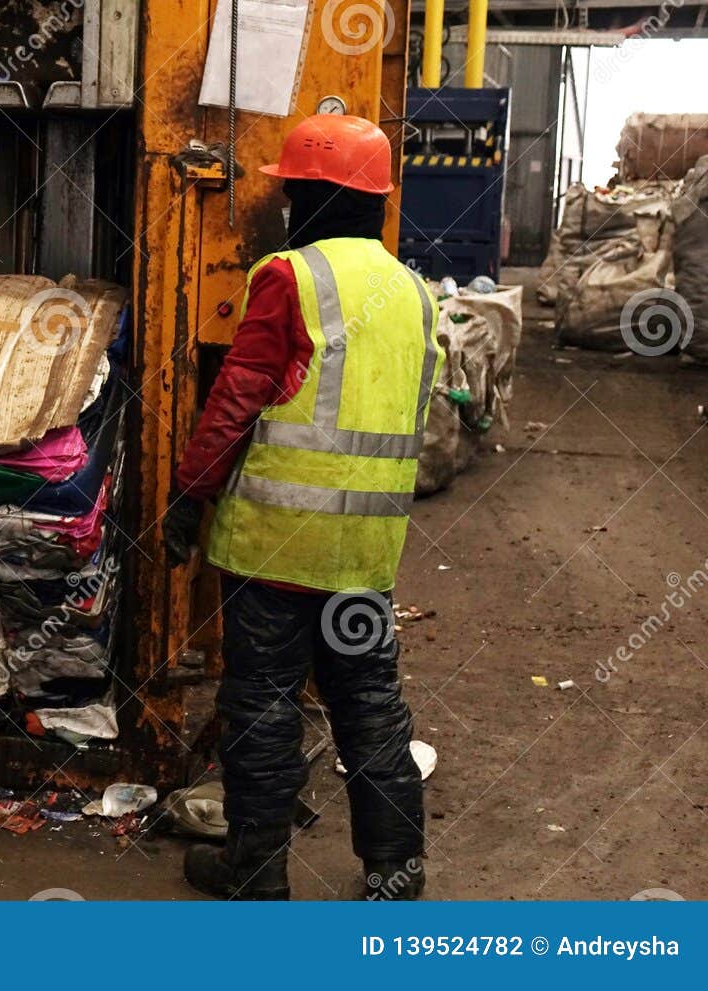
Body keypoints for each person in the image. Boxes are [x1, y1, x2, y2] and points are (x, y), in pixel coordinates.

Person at [163, 114, 445, 901]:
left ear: (312, 199)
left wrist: (190, 497)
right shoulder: (415, 294)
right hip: (365, 551)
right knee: (370, 701)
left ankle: (255, 874)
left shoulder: (291, 277)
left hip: (275, 545)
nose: (286, 206)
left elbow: (237, 400)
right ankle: (396, 866)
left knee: (261, 704)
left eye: (294, 192)